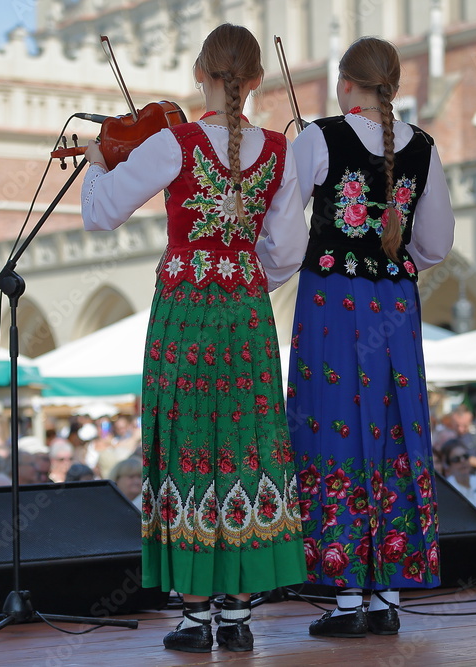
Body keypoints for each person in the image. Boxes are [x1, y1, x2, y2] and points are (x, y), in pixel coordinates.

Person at [80, 23, 307, 653]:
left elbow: (100, 215)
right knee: (248, 440)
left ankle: (195, 612)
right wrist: (243, 261)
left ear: (198, 75)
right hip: (244, 310)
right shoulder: (280, 153)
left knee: (184, 440)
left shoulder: (172, 144)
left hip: (184, 311)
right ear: (257, 80)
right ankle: (238, 611)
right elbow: (286, 252)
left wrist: (96, 164)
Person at [287, 36, 454, 638]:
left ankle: (346, 594)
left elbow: (283, 227)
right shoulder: (425, 146)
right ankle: (386, 592)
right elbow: (434, 245)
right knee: (392, 427)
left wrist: (269, 268)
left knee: (331, 420)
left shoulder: (319, 136)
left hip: (334, 300)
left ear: (345, 82)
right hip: (395, 303)